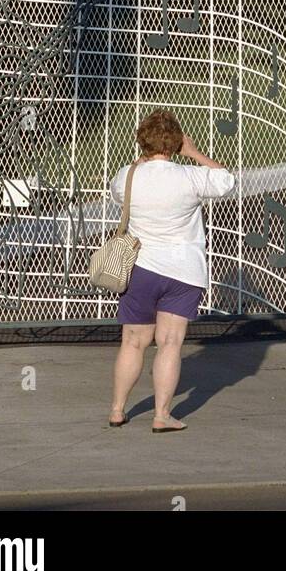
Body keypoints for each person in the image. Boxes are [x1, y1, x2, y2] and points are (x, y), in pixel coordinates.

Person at [107, 109, 235, 431]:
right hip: (182, 271)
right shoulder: (188, 177)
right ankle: (162, 416)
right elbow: (226, 180)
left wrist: (139, 162)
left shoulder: (127, 176)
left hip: (139, 268)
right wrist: (192, 152)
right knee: (170, 343)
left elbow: (115, 193)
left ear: (142, 141)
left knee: (133, 342)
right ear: (176, 142)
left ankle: (118, 409)